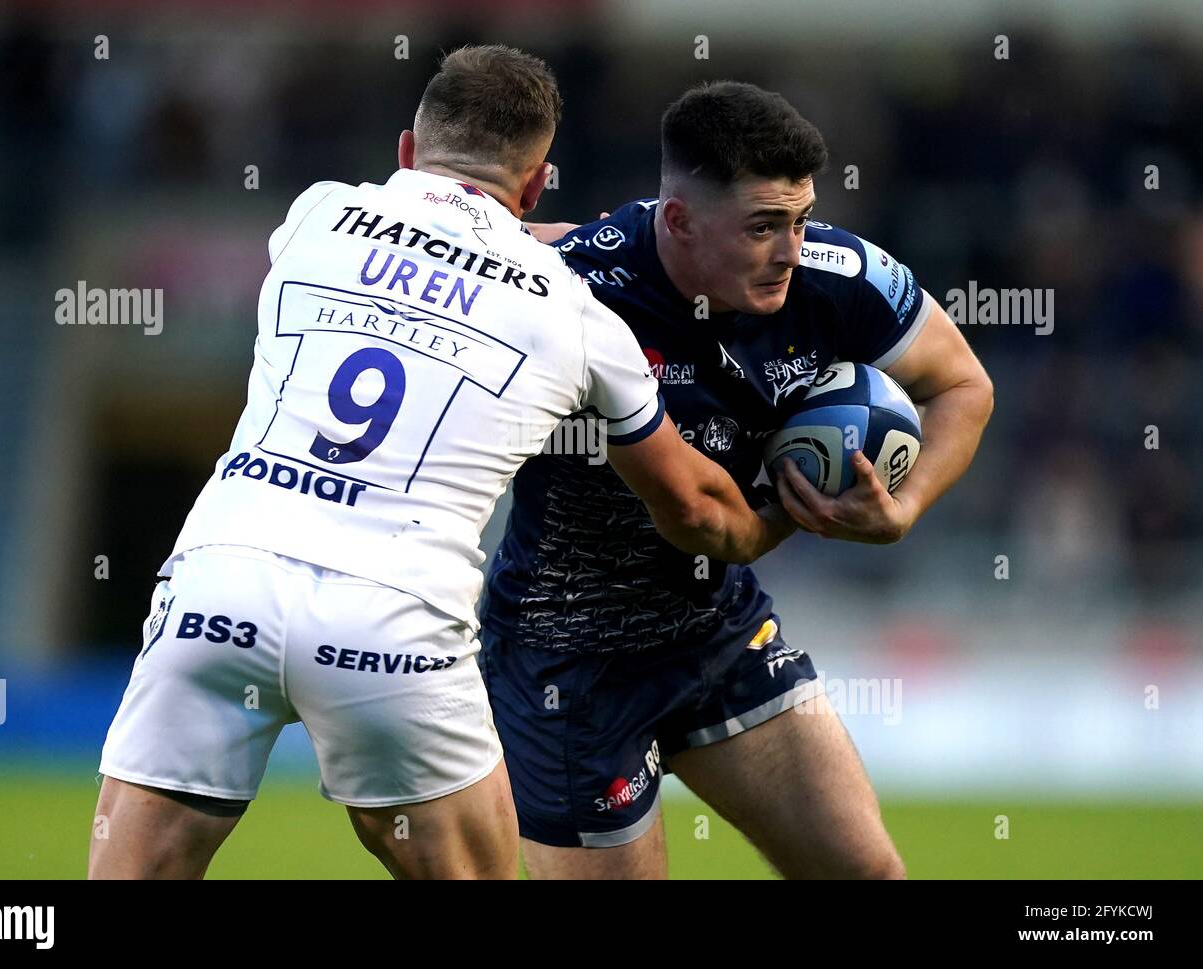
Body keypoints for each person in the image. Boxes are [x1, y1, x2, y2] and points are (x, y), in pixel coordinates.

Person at [89, 52, 785, 881]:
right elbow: (697, 511)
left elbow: (421, 249)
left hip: (221, 582)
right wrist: (786, 512)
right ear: (536, 187)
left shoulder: (315, 216)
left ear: (407, 149)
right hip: (391, 619)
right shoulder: (578, 316)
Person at [479, 81, 994, 878]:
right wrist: (785, 521)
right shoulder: (568, 294)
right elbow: (702, 518)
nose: (790, 248)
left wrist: (907, 505)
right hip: (564, 661)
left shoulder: (838, 275)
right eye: (763, 227)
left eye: (800, 217)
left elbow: (963, 385)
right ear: (678, 220)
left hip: (713, 629)